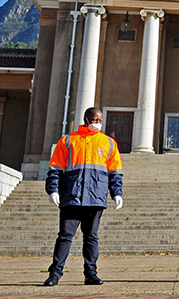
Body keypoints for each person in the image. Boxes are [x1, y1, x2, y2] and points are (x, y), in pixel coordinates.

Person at [42, 107, 124, 286]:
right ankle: (54, 274)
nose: (97, 123)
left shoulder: (109, 143)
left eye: (100, 120)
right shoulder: (68, 140)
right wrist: (53, 190)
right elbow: (55, 168)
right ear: (86, 120)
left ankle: (91, 273)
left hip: (95, 197)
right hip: (71, 195)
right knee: (65, 236)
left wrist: (117, 193)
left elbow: (115, 172)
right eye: (94, 119)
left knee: (91, 237)